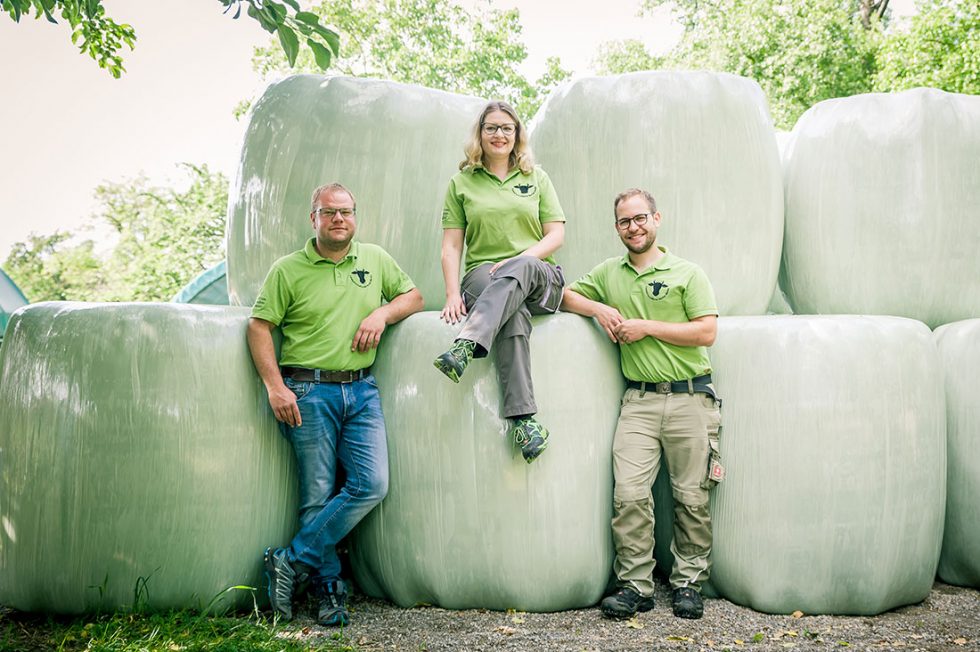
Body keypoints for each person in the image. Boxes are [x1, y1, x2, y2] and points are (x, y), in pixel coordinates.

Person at [247, 183, 423, 626]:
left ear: (354, 216)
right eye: (330, 212)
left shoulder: (375, 259)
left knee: (372, 483)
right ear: (314, 218)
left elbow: (413, 297)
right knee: (317, 493)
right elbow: (259, 326)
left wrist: (380, 314)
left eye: (346, 212)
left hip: (362, 390)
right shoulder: (288, 270)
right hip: (308, 391)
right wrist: (274, 386)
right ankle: (328, 592)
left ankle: (289, 560)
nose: (339, 219)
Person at [561, 188, 723, 620]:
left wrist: (646, 327)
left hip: (690, 397)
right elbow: (564, 294)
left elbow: (706, 332)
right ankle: (636, 584)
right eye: (624, 221)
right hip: (639, 401)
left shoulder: (687, 273)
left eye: (639, 219)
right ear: (617, 227)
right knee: (629, 494)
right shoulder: (609, 273)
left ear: (657, 219)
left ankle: (689, 584)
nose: (633, 227)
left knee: (691, 496)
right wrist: (599, 309)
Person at [433, 100, 566, 463]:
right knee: (513, 313)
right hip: (484, 276)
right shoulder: (461, 183)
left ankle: (467, 343)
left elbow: (555, 236)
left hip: (539, 274)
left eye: (507, 128)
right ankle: (525, 422)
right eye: (491, 127)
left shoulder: (536, 177)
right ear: (480, 134)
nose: (499, 134)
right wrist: (450, 294)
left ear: (517, 135)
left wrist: (521, 258)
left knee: (519, 270)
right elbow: (451, 245)